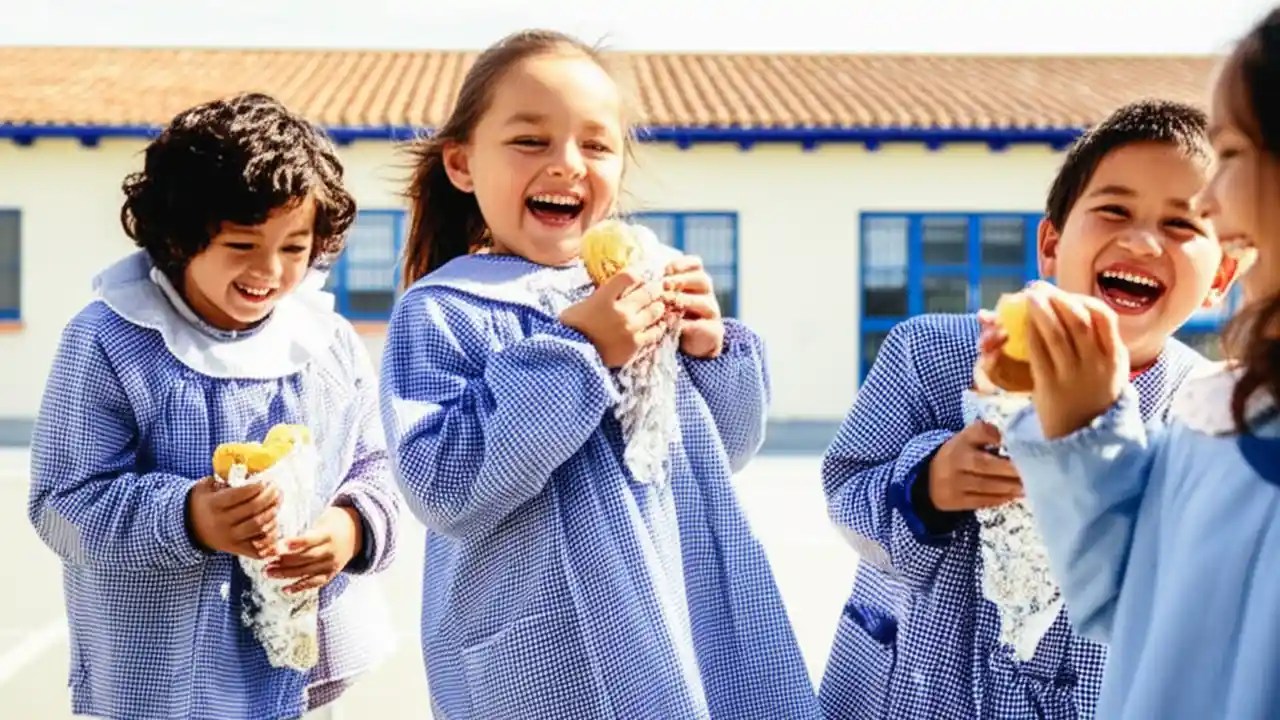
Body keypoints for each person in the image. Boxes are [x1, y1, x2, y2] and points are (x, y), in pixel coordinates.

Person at [379, 28, 820, 720]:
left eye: (595, 144)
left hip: (678, 613)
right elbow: (446, 487)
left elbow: (718, 454)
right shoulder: (443, 308)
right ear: (462, 164)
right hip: (551, 653)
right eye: (530, 141)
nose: (565, 164)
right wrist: (578, 351)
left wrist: (709, 351)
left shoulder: (646, 282)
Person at [819, 98, 1242, 719]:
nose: (1141, 240)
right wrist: (927, 486)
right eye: (1113, 210)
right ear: (1051, 244)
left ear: (1221, 275)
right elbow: (845, 488)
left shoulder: (1207, 414)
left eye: (1182, 225)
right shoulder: (928, 353)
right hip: (919, 689)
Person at [27, 92, 400, 720]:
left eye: (294, 247)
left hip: (299, 669)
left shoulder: (325, 341)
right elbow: (62, 503)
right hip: (162, 675)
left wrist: (350, 529)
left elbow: (377, 464)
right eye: (241, 244)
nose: (270, 271)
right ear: (178, 235)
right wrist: (189, 518)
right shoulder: (111, 338)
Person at [999, 8, 1280, 718]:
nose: (1213, 203)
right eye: (1115, 212)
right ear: (1051, 245)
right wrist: (1082, 427)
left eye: (1234, 155)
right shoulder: (1220, 413)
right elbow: (1127, 600)